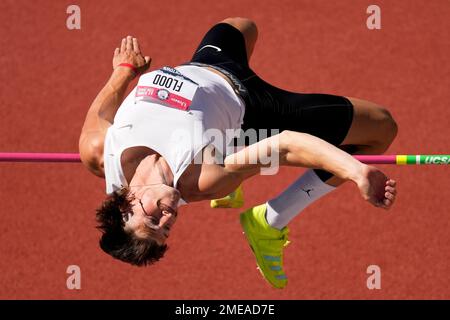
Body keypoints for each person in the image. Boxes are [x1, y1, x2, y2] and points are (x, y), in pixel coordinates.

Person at [79, 17, 398, 288]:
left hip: (206, 67)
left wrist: (123, 70)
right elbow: (287, 145)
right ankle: (270, 220)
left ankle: (230, 152)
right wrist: (356, 172)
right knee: (382, 128)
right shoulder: (203, 179)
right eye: (168, 227)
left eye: (154, 218)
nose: (170, 215)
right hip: (256, 109)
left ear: (125, 206)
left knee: (243, 25)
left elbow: (101, 112)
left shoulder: (97, 152)